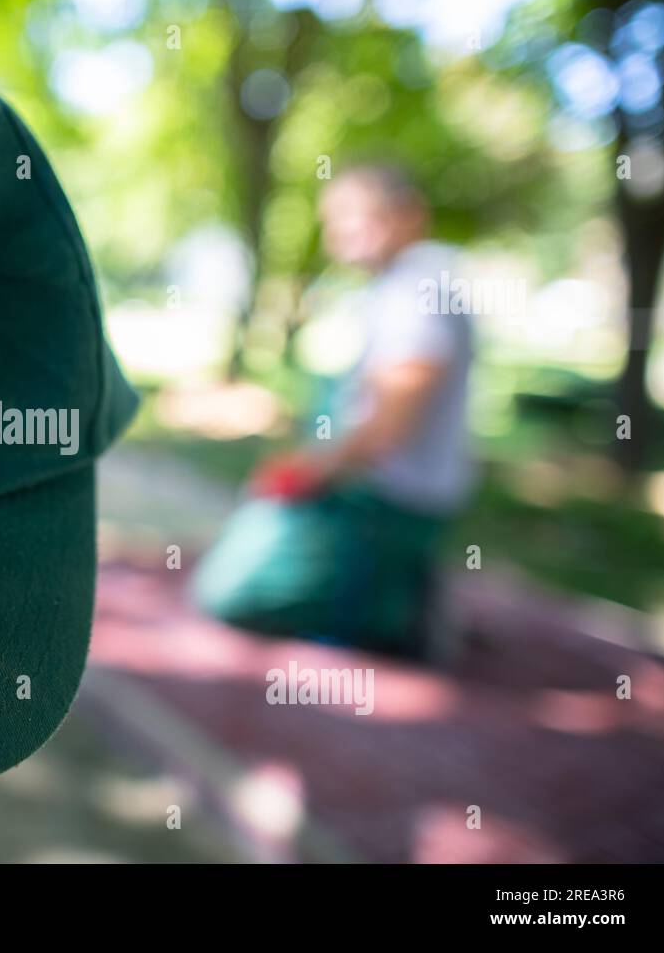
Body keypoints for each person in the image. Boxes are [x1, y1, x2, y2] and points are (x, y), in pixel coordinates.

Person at [191, 163, 475, 659]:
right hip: (382, 494)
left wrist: (307, 472)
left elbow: (388, 426)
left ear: (409, 216)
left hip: (384, 502)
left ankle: (393, 609)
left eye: (358, 217)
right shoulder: (404, 286)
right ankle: (393, 595)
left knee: (230, 590)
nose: (341, 235)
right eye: (335, 221)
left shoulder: (415, 292)